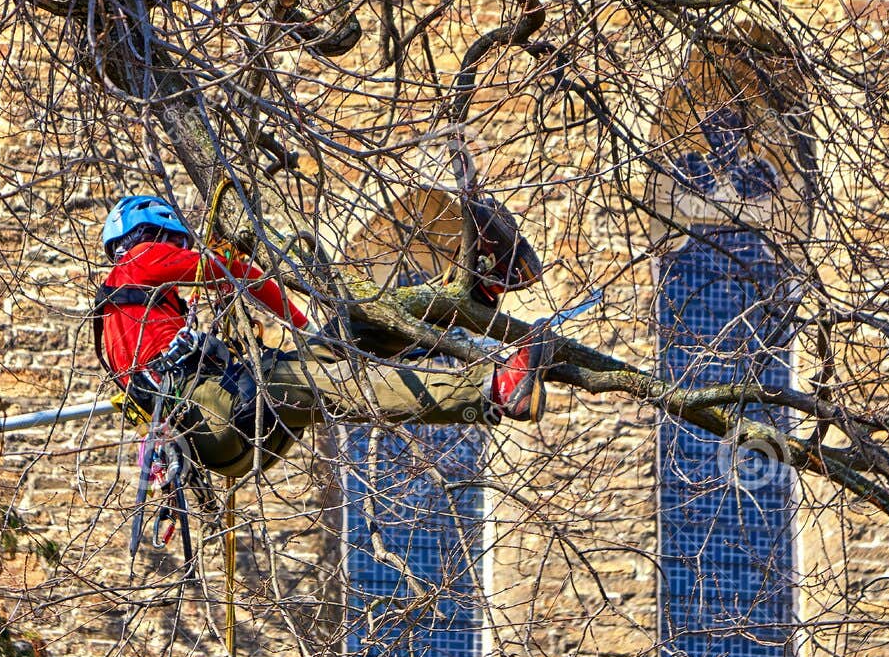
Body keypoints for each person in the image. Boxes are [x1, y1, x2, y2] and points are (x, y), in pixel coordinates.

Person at [93, 195, 548, 477]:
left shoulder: (119, 320)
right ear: (153, 236)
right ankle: (493, 389)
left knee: (341, 340)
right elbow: (231, 270)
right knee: (332, 383)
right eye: (175, 246)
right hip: (220, 411)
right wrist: (295, 317)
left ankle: (466, 298)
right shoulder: (140, 260)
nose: (177, 256)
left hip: (230, 445)